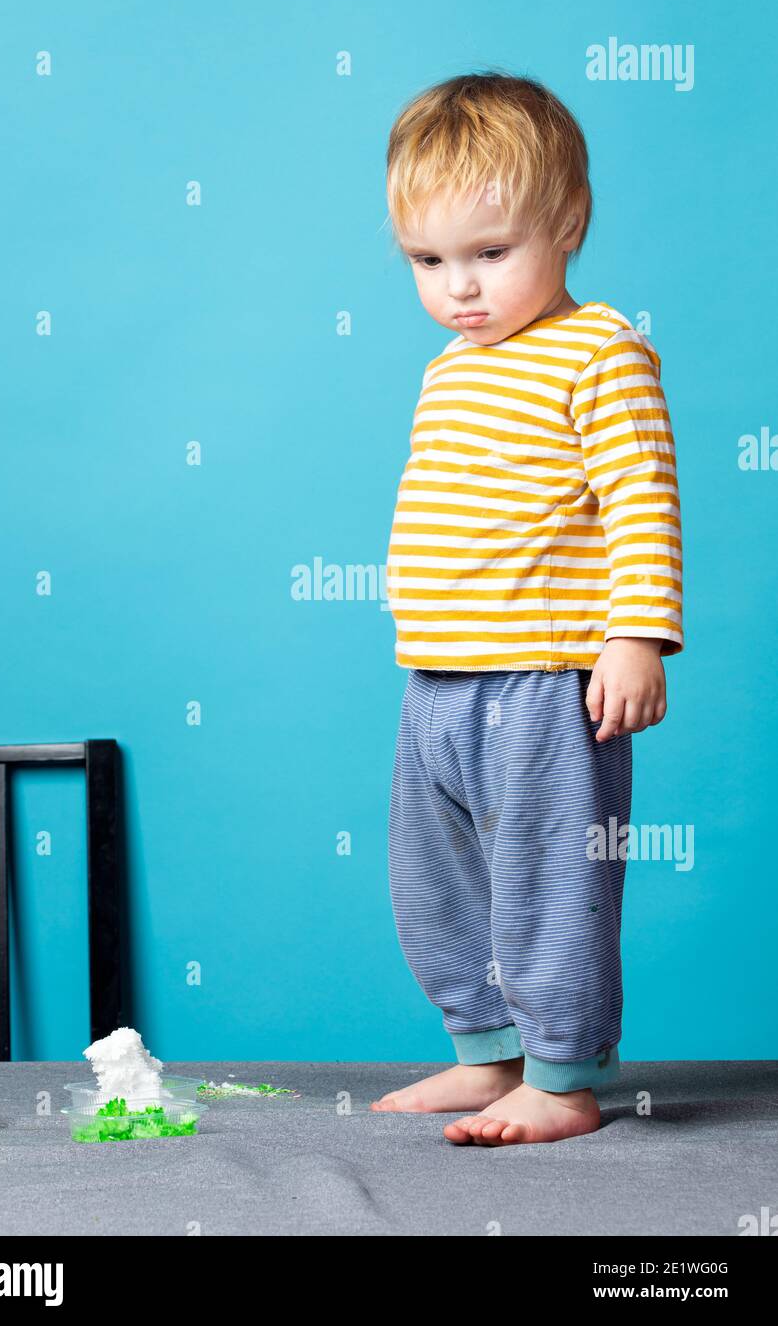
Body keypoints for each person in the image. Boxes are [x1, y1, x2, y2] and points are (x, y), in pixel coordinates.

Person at [371, 71, 683, 1145]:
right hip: (438, 678)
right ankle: (485, 1050)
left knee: (549, 877)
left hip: (546, 678)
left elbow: (639, 495)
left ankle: (560, 1074)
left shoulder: (599, 349)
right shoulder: (446, 368)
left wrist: (633, 635)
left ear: (567, 223)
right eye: (427, 260)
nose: (457, 286)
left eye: (488, 253)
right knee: (437, 879)